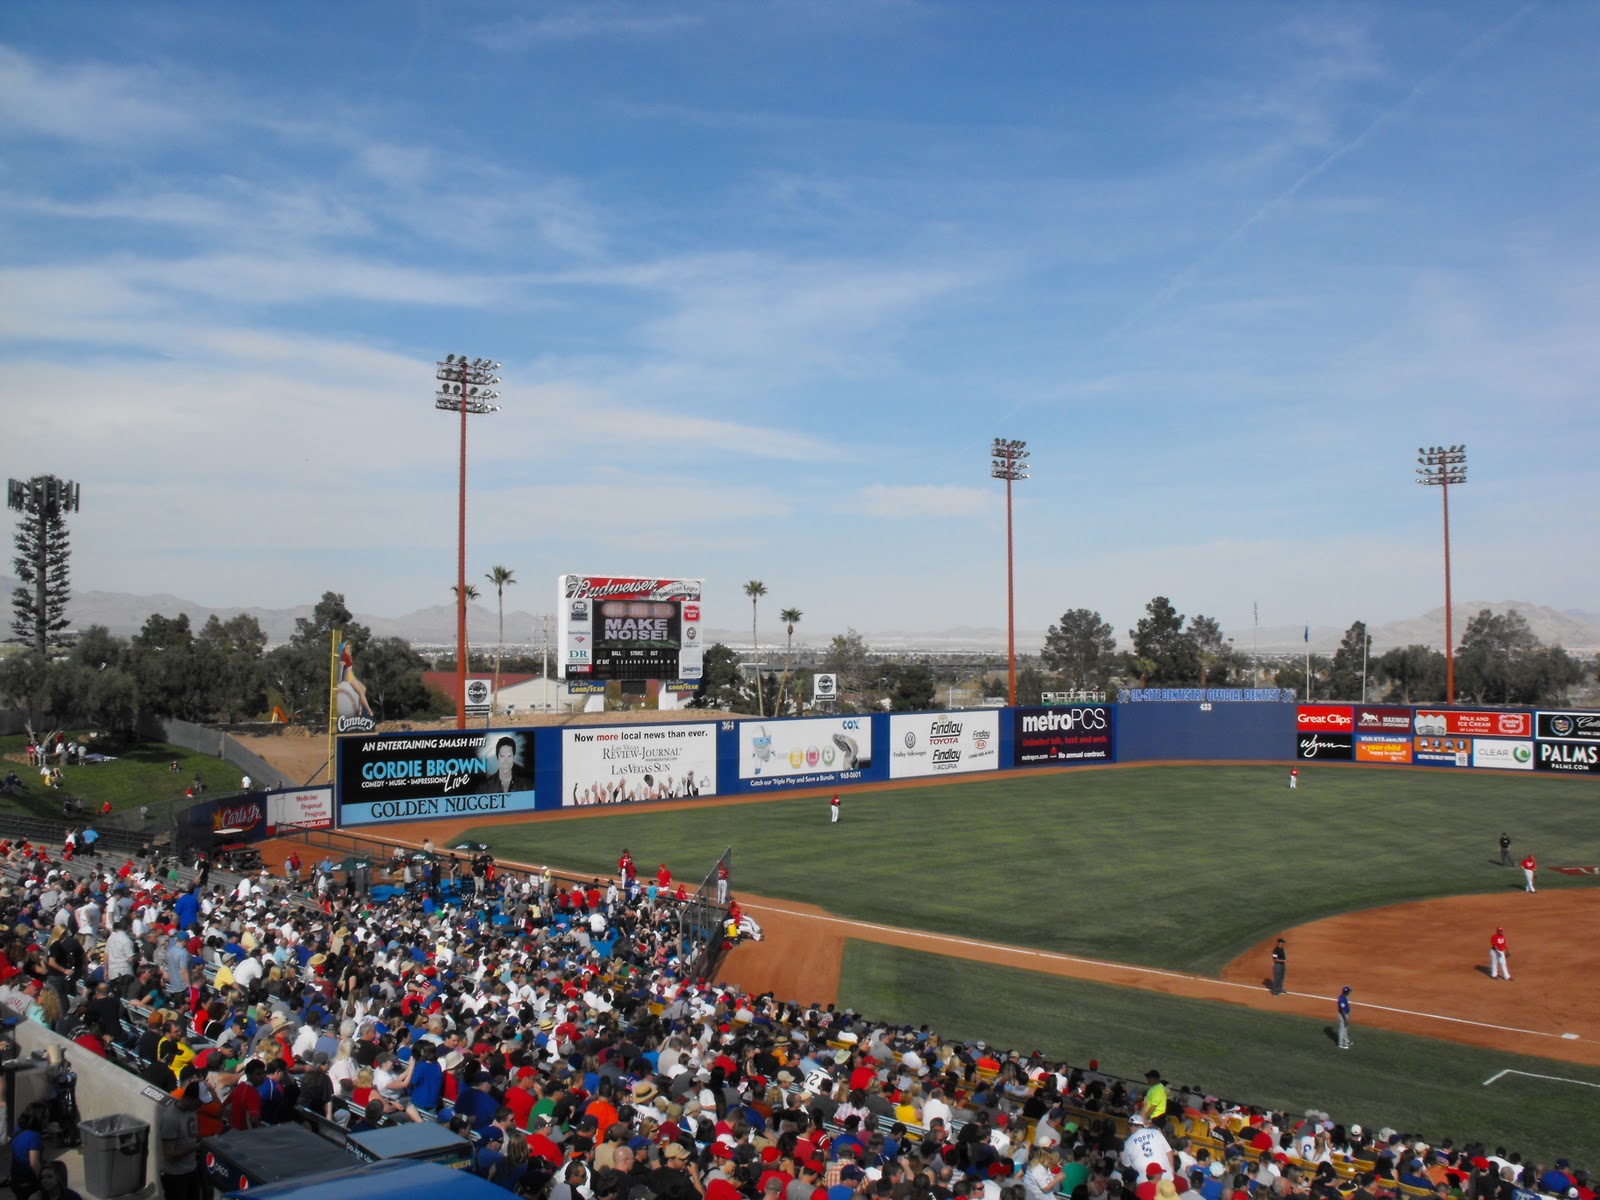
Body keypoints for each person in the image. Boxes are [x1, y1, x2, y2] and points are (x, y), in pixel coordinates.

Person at [159, 1080, 205, 1200]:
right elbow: (169, 1154)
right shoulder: (171, 1118)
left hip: (191, 1170)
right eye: (200, 1102)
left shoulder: (192, 1112)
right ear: (193, 1100)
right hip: (176, 1176)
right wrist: (195, 1147)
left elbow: (192, 1135)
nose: (201, 1106)